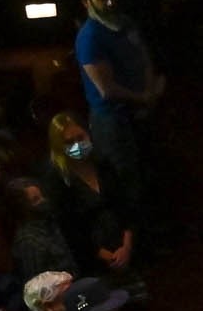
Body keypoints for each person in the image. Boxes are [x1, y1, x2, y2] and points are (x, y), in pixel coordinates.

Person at [73, 0, 161, 194]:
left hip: (139, 110)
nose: (110, 3)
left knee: (149, 168)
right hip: (113, 121)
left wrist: (148, 92)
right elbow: (107, 88)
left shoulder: (125, 23)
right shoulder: (90, 36)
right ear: (87, 2)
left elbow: (144, 57)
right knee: (125, 178)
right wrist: (145, 98)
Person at [41, 113, 134, 277]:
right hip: (93, 259)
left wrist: (126, 247)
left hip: (126, 246)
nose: (77, 145)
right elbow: (71, 231)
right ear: (58, 147)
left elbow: (125, 205)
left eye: (80, 137)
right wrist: (110, 257)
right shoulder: (58, 181)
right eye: (69, 142)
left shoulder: (102, 163)